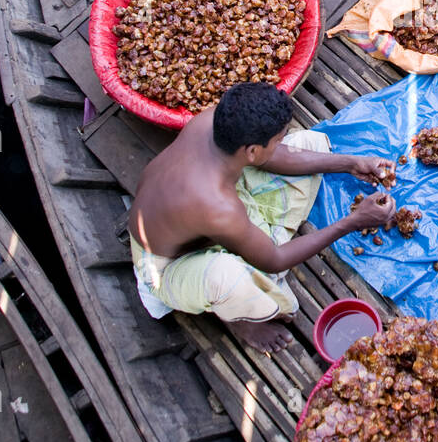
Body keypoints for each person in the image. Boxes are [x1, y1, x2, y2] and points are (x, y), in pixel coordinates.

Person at [128, 82, 397, 352]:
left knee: (311, 143)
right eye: (278, 139)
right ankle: (240, 320)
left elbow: (272, 157)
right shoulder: (219, 208)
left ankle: (248, 237)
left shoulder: (211, 120)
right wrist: (353, 221)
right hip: (165, 266)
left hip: (196, 210)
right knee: (231, 279)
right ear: (253, 151)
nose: (281, 142)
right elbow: (275, 260)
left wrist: (351, 163)